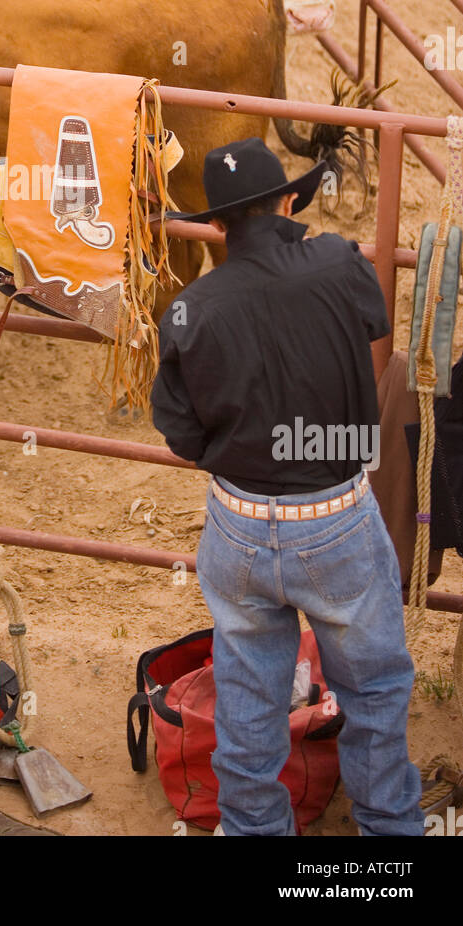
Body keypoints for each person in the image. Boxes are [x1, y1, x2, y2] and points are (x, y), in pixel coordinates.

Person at [151, 137, 424, 837]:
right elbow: (376, 321)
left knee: (248, 690)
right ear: (290, 200)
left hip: (237, 521)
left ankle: (251, 832)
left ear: (216, 225)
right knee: (373, 685)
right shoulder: (335, 260)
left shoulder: (187, 311)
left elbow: (180, 433)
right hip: (334, 513)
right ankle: (389, 834)